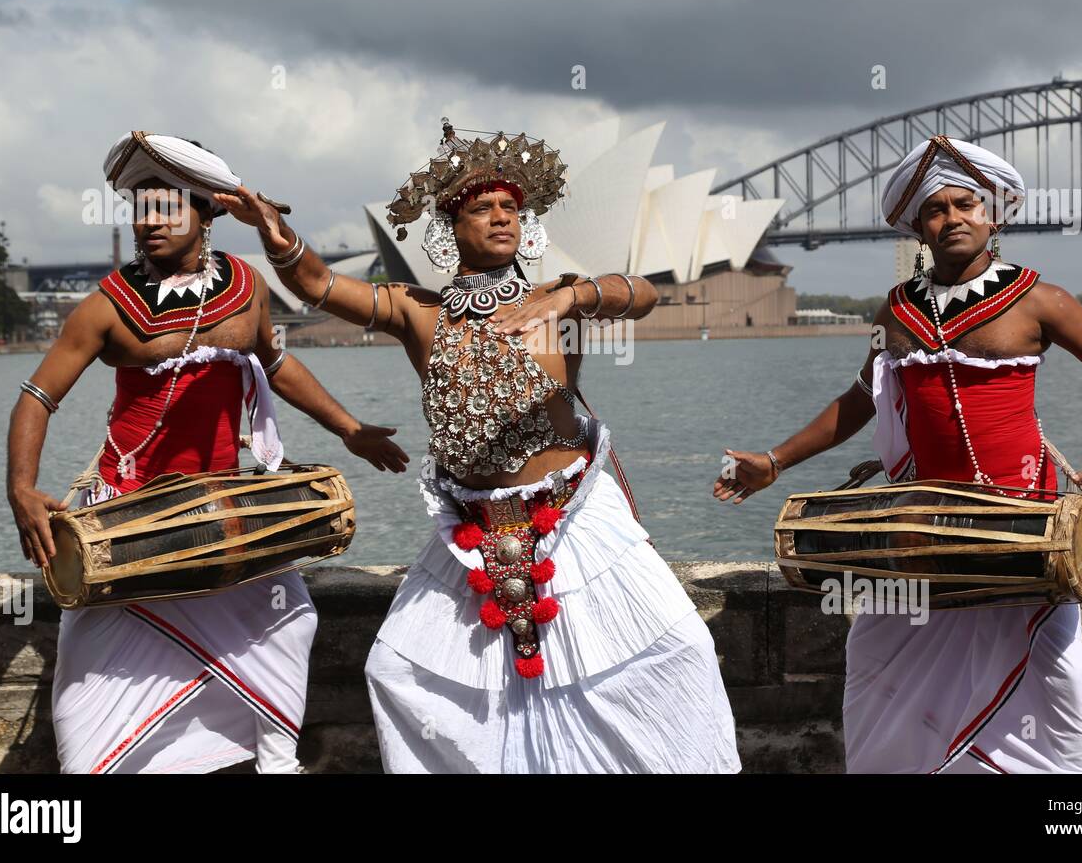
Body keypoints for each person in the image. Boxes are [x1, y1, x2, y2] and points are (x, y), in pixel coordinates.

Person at [216, 121, 741, 773]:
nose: (502, 219)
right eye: (483, 207)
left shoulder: (557, 297)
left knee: (676, 648)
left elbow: (643, 295)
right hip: (470, 526)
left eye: (512, 209)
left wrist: (572, 296)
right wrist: (276, 233)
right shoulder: (419, 311)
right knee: (396, 670)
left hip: (575, 516)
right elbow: (321, 287)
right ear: (449, 225)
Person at [715, 135, 1082, 773]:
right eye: (936, 210)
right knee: (876, 664)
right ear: (918, 227)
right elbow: (861, 398)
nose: (953, 218)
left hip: (1021, 528)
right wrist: (773, 463)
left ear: (992, 213)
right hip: (924, 528)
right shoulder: (895, 312)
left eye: (965, 203)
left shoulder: (1039, 299)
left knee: (1053, 679)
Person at [6, 131, 408, 774]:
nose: (149, 222)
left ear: (208, 213)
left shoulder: (246, 287)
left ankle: (276, 764)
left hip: (220, 515)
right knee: (88, 683)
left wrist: (348, 428)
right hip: (126, 516)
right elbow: (36, 396)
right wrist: (21, 489)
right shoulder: (107, 307)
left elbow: (275, 363)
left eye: (166, 206)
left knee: (291, 618)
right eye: (140, 208)